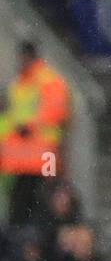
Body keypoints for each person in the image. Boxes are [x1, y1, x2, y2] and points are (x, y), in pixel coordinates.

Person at [0, 42, 69, 225]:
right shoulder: (18, 84)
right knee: (22, 205)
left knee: (46, 198)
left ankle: (44, 232)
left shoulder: (47, 81)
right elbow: (12, 119)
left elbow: (56, 111)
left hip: (46, 154)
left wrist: (29, 125)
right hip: (23, 160)